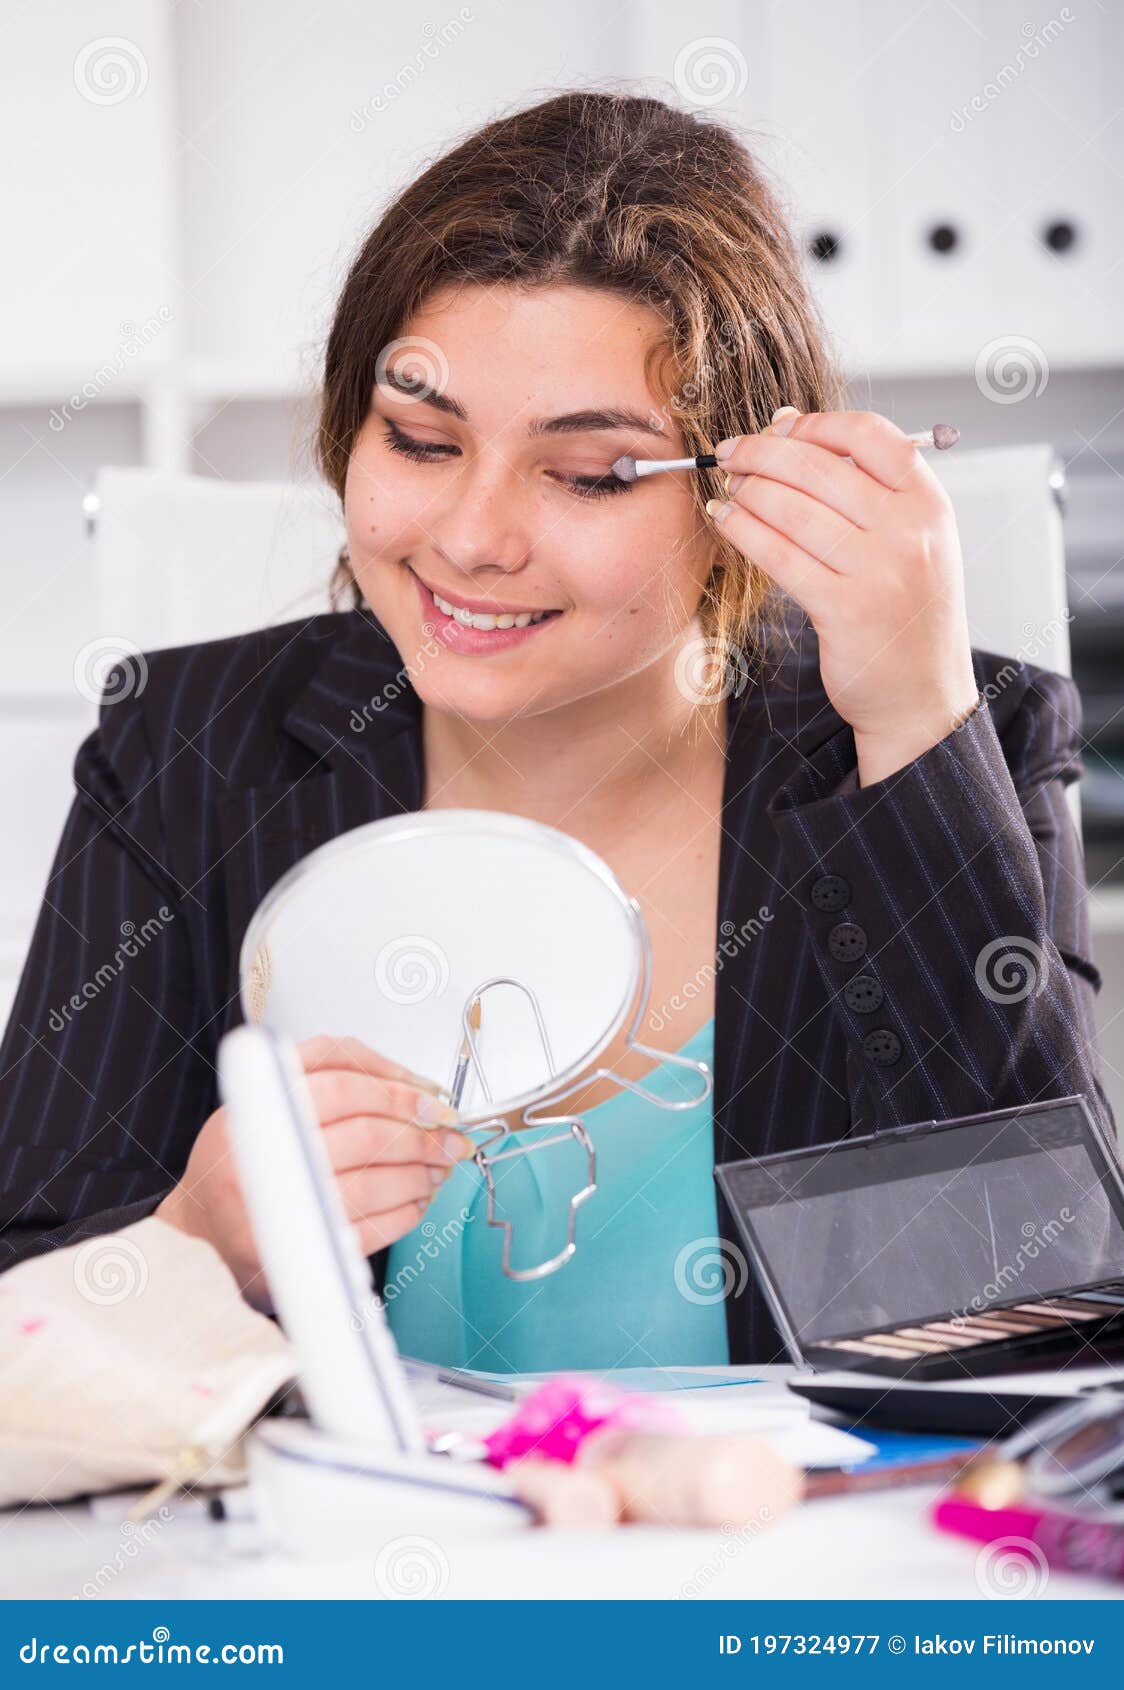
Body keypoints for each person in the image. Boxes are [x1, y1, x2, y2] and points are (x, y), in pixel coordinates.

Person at [0, 91, 1108, 1370]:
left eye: (585, 476)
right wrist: (196, 1245)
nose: (472, 539)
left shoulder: (945, 735)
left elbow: (1037, 1333)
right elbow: (29, 1310)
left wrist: (912, 724)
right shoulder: (187, 747)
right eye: (418, 440)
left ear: (743, 485)